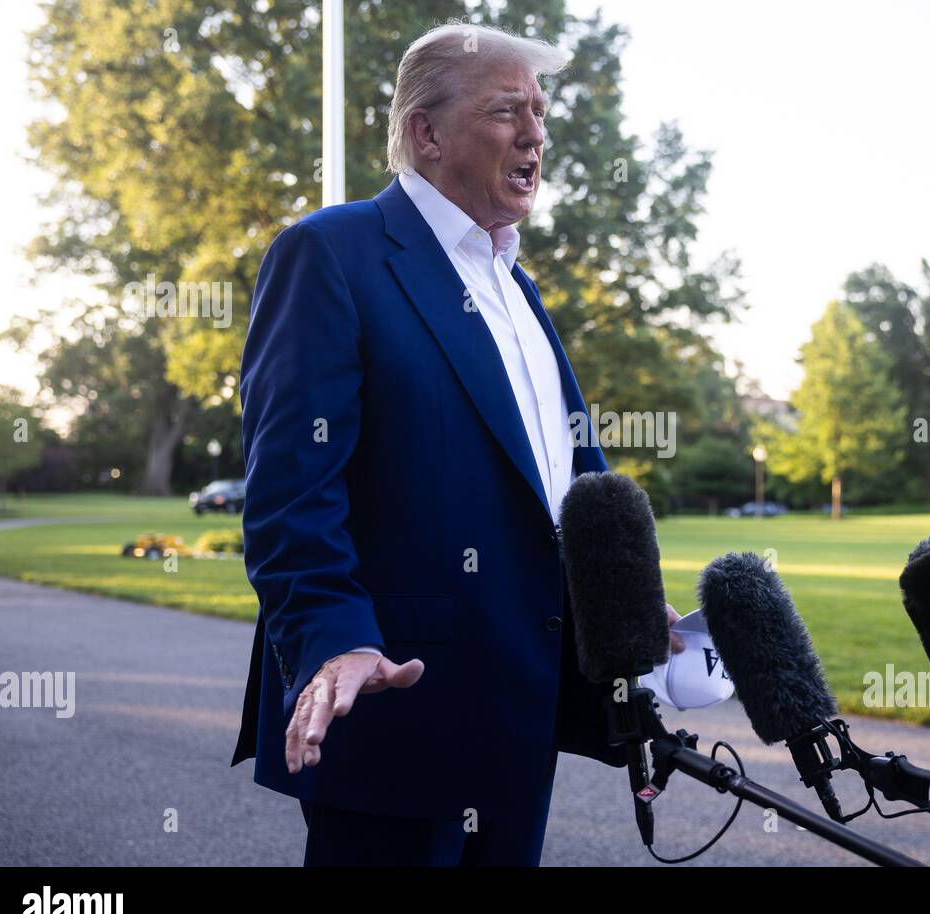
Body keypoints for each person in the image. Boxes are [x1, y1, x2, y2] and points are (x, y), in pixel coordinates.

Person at [230, 21, 682, 866]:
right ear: (425, 133)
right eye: (508, 109)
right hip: (396, 708)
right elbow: (292, 491)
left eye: (542, 113)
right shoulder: (330, 253)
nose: (536, 133)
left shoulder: (519, 286)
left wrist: (621, 601)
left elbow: (562, 475)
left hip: (519, 715)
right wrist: (334, 638)